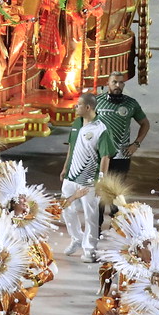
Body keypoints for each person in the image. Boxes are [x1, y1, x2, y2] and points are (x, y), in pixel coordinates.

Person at [60, 95, 113, 262]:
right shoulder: (76, 124)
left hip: (89, 180)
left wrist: (101, 181)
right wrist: (65, 168)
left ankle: (89, 249)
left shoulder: (102, 129)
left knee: (91, 215)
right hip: (71, 177)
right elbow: (72, 147)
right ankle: (77, 238)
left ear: (88, 107)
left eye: (79, 105)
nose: (75, 108)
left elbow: (105, 157)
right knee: (66, 208)